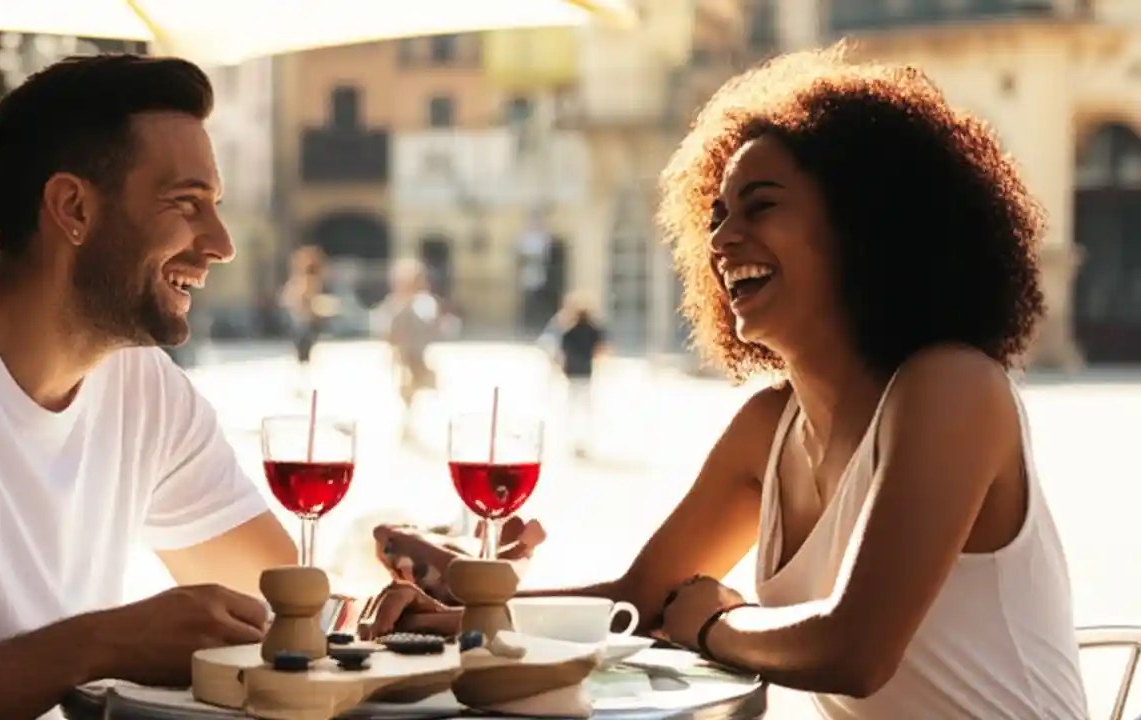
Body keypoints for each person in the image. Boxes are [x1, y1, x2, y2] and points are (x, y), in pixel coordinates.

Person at [364, 44, 1089, 719]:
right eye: (715, 216)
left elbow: (854, 650)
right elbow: (637, 601)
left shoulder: (950, 388)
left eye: (761, 205)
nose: (719, 239)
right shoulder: (768, 429)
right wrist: (469, 606)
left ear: (865, 224)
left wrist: (715, 623)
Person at [0, 55, 299, 719]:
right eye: (186, 203)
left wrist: (407, 596)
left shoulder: (141, 383)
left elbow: (277, 599)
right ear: (72, 208)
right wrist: (99, 643)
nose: (220, 243)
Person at [373, 259, 456, 440]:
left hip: (414, 354)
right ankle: (405, 423)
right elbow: (384, 327)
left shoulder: (423, 304)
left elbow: (431, 327)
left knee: (411, 387)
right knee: (404, 387)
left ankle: (408, 422)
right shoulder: (394, 304)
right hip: (400, 354)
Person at [539, 292, 607, 458]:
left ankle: (572, 442)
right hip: (586, 374)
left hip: (572, 374)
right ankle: (584, 441)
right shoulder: (593, 330)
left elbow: (560, 353)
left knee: (571, 409)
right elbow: (601, 349)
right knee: (586, 409)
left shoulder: (568, 331)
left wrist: (555, 370)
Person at [279, 245, 330, 395]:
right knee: (303, 355)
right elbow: (299, 299)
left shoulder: (303, 280)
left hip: (304, 322)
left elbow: (291, 299)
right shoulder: (306, 281)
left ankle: (302, 383)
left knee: (303, 355)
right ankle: (302, 383)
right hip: (303, 322)